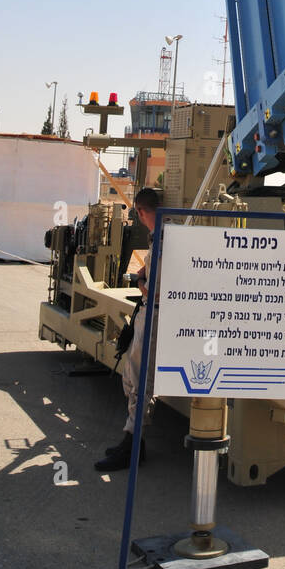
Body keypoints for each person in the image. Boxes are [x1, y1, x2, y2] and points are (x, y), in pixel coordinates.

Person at [94, 187, 160, 472]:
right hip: (149, 313)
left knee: (138, 380)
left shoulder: (163, 238)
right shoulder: (161, 236)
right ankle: (134, 442)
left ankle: (132, 444)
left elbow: (158, 291)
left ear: (141, 211)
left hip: (155, 313)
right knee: (131, 378)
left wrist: (140, 283)